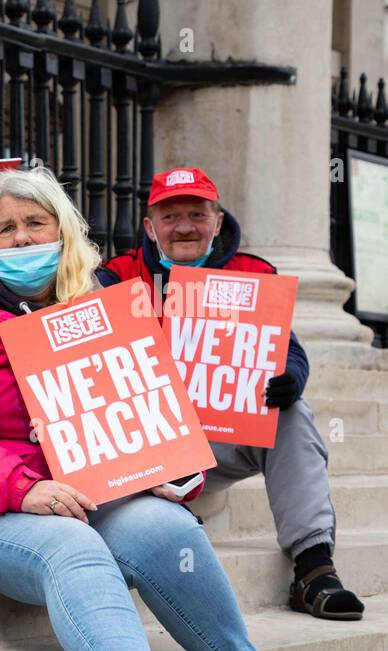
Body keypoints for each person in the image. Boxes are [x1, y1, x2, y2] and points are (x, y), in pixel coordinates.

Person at [0, 167, 320, 651]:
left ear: (63, 233)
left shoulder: (107, 313)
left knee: (169, 528)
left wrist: (171, 473)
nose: (21, 239)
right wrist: (26, 486)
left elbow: (158, 416)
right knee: (74, 547)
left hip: (91, 489)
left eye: (35, 224)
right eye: (6, 229)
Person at [98, 167, 363, 621]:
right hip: (148, 449)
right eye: (170, 215)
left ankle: (314, 565)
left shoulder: (254, 274)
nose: (184, 226)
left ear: (217, 221)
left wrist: (289, 377)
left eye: (197, 214)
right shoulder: (115, 277)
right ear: (149, 226)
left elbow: (290, 353)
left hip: (220, 439)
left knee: (294, 413)